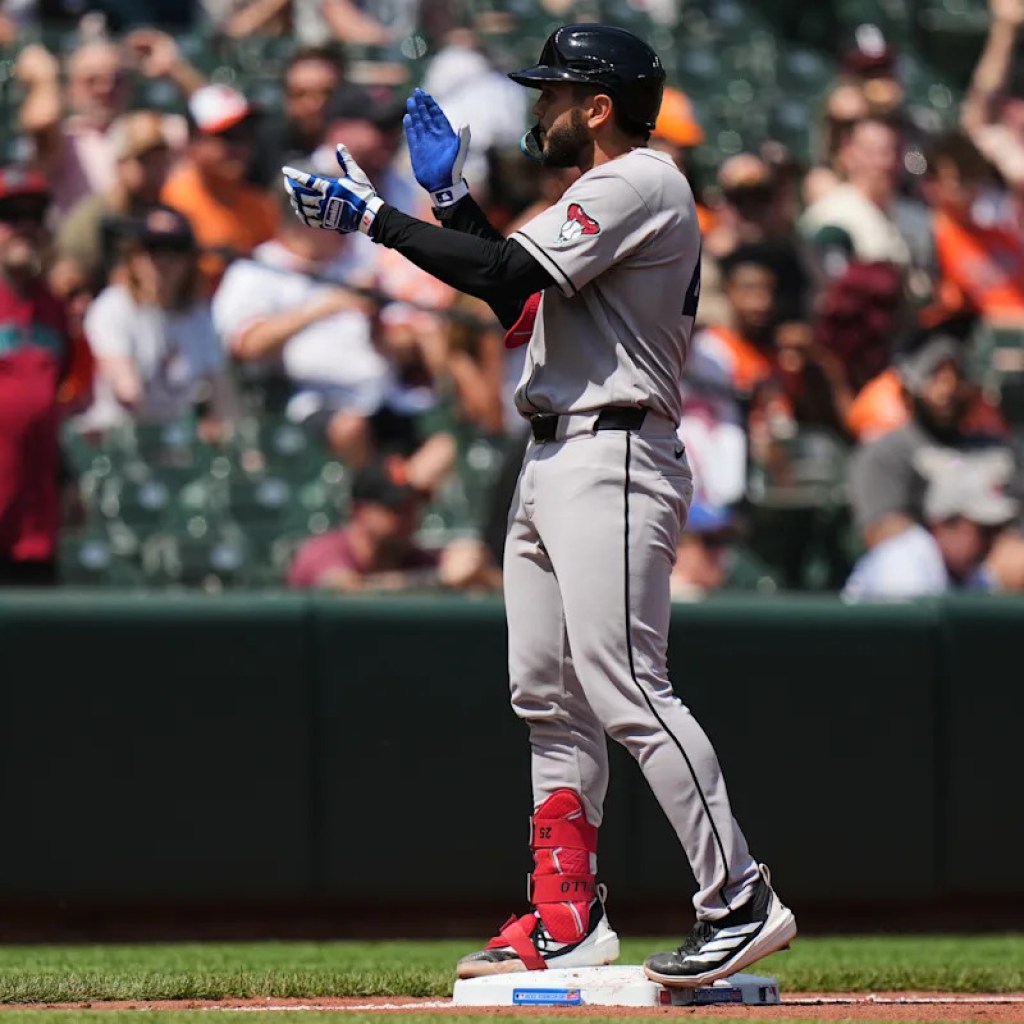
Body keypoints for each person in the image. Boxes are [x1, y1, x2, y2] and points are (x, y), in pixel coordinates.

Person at [282, 22, 795, 988]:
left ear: (599, 108)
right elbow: (517, 304)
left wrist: (373, 221)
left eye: (555, 92)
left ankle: (739, 897)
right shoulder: (601, 193)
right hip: (558, 449)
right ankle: (566, 915)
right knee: (549, 699)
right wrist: (445, 201)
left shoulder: (639, 179)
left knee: (626, 686)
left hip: (616, 446)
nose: (540, 107)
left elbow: (509, 275)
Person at [75, 205, 236, 437]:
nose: (164, 260)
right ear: (134, 255)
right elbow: (127, 389)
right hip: (120, 442)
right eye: (154, 248)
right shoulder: (113, 307)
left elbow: (222, 390)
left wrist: (235, 438)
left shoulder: (198, 316)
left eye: (175, 249)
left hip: (177, 446)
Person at [0, 166, 72, 586]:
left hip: (33, 524)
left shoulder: (54, 308)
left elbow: (50, 403)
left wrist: (67, 476)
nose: (24, 228)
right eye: (10, 217)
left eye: (34, 217)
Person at [286, 454, 498, 591]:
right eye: (396, 508)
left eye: (413, 506)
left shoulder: (410, 556)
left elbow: (464, 572)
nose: (408, 516)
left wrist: (481, 574)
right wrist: (438, 579)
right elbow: (345, 591)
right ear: (359, 511)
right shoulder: (326, 550)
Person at [842, 451, 1021, 600]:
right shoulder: (902, 565)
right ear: (943, 525)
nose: (991, 542)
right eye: (984, 531)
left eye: (995, 531)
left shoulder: (973, 573)